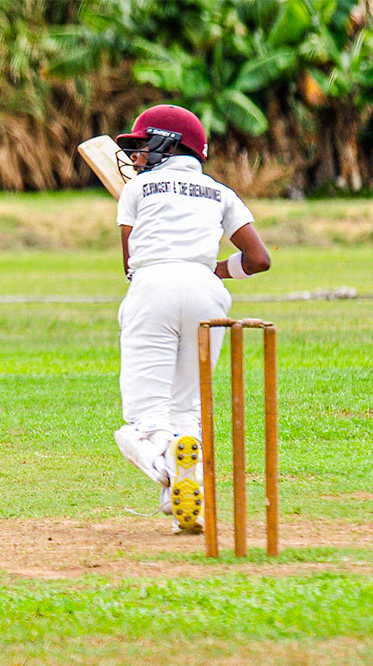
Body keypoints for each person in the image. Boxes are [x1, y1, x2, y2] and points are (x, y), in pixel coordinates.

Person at [112, 104, 271, 534]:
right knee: (188, 411)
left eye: (143, 146)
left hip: (153, 289)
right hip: (207, 295)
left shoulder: (138, 190)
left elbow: (130, 263)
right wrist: (213, 268)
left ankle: (165, 467)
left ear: (167, 143)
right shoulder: (220, 192)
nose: (137, 158)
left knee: (141, 425)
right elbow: (259, 259)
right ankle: (183, 499)